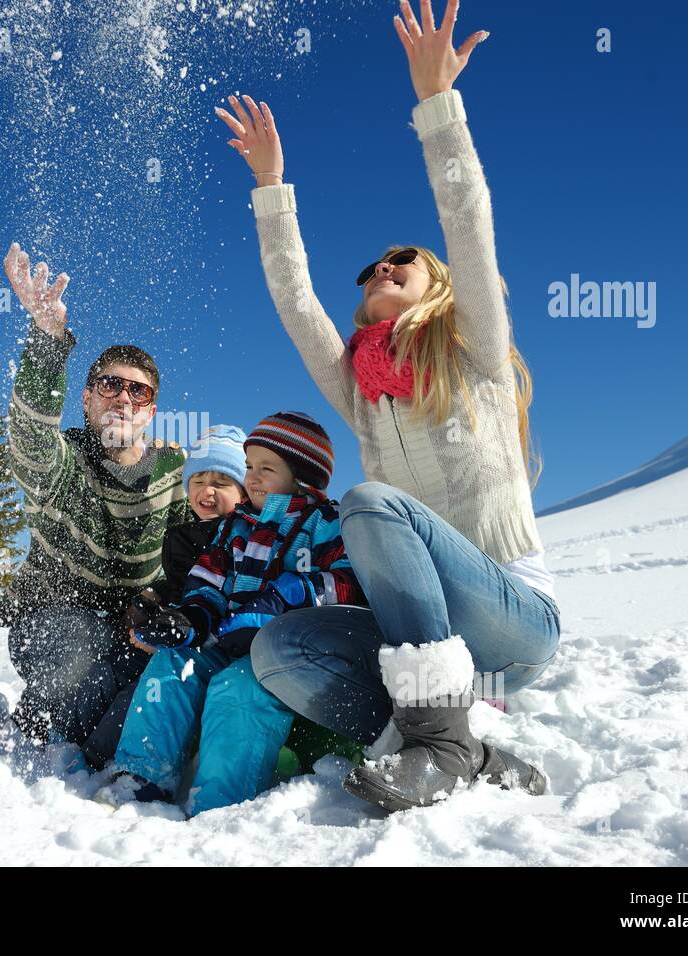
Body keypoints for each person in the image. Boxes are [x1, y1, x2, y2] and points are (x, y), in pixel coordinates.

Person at [214, 0, 557, 812]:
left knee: (369, 502)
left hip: (509, 623)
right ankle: (464, 747)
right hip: (420, 635)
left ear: (437, 283)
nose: (380, 268)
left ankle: (440, 745)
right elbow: (299, 307)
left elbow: (468, 227)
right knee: (280, 650)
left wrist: (438, 105)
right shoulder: (363, 390)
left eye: (401, 260)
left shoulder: (475, 350)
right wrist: (271, 188)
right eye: (370, 269)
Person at [102, 412, 365, 815]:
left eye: (265, 469)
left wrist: (285, 598)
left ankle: (220, 803)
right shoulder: (237, 527)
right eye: (249, 467)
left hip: (290, 654)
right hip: (229, 639)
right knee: (173, 664)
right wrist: (191, 619)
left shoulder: (326, 523)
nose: (252, 478)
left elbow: (347, 581)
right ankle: (141, 776)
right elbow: (209, 582)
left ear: (303, 476)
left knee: (237, 687)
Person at [0, 241, 192, 749]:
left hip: (132, 626)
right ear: (86, 399)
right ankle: (50, 740)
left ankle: (73, 726)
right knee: (82, 667)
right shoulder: (61, 462)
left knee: (164, 679)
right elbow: (30, 435)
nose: (124, 397)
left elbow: (193, 557)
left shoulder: (173, 474)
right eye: (109, 385)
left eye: (139, 391)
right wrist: (47, 341)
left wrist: (160, 606)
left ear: (151, 411)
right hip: (50, 621)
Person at [81, 424, 250, 769]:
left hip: (206, 643)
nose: (207, 491)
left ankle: (95, 758)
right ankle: (64, 732)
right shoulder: (186, 535)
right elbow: (178, 585)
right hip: (176, 628)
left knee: (143, 688)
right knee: (113, 664)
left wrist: (174, 630)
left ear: (244, 493)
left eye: (222, 483)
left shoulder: (247, 536)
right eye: (198, 480)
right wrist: (151, 600)